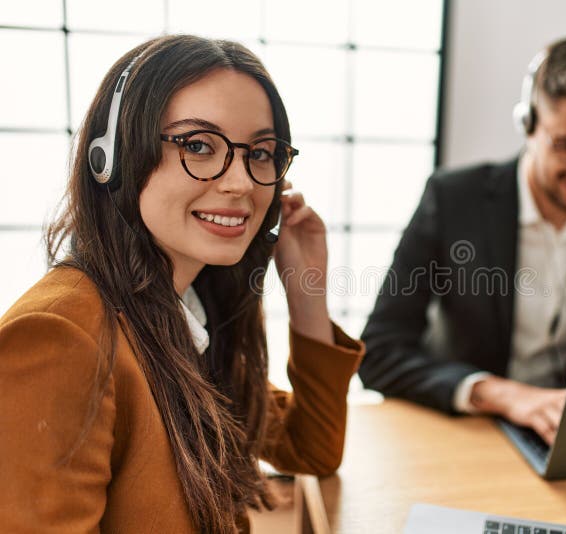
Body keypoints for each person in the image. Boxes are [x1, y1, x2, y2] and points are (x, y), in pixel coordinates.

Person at [0, 35, 363, 533]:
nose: (240, 183)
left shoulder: (189, 306)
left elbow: (312, 449)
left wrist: (306, 288)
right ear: (116, 158)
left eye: (260, 153)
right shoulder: (62, 337)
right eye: (198, 145)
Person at [359, 35, 566, 447]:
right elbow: (377, 352)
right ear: (528, 124)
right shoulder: (453, 201)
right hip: (464, 433)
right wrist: (502, 395)